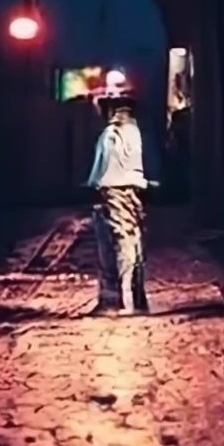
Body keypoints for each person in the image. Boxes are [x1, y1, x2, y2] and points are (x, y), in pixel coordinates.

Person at [87, 95, 150, 314]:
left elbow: (102, 167)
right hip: (131, 191)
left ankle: (119, 300)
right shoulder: (135, 132)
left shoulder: (112, 134)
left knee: (116, 246)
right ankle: (134, 298)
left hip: (114, 191)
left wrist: (94, 186)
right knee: (132, 242)